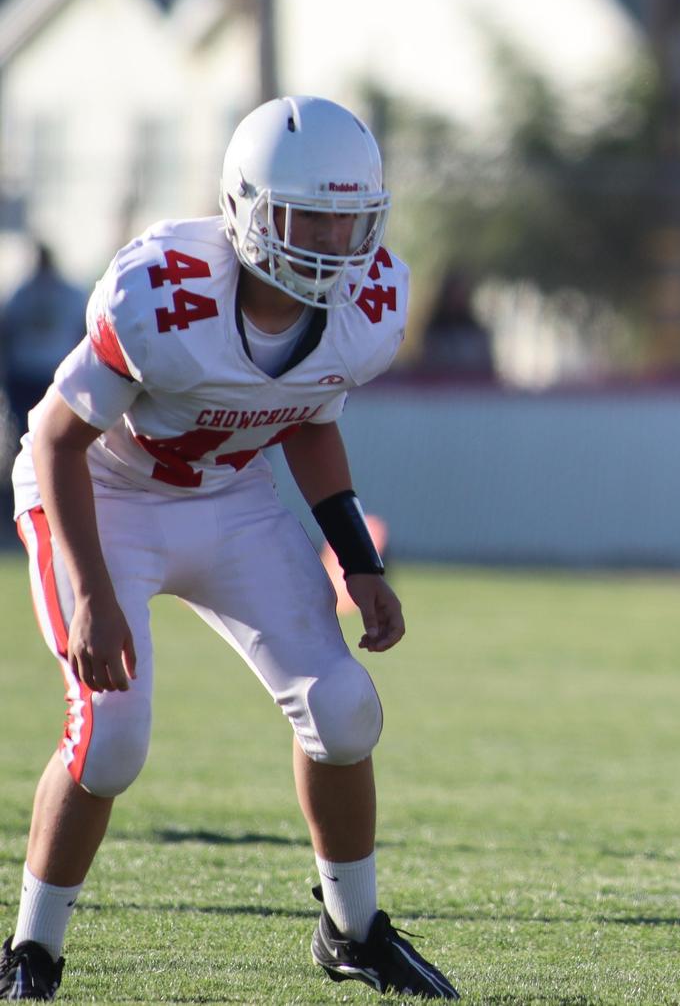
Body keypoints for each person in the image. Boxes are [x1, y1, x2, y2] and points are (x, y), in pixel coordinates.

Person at [0, 97, 453, 1000]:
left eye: (348, 215)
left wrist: (358, 560)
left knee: (344, 710)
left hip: (227, 496)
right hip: (105, 494)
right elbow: (54, 438)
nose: (331, 237)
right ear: (247, 207)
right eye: (308, 213)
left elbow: (311, 419)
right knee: (111, 739)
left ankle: (352, 929)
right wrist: (90, 590)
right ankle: (31, 953)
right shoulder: (163, 290)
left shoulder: (368, 305)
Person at [1, 244, 85, 433]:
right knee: (53, 429)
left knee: (25, 430)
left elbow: (7, 331)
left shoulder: (20, 292)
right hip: (55, 368)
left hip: (25, 369)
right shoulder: (72, 293)